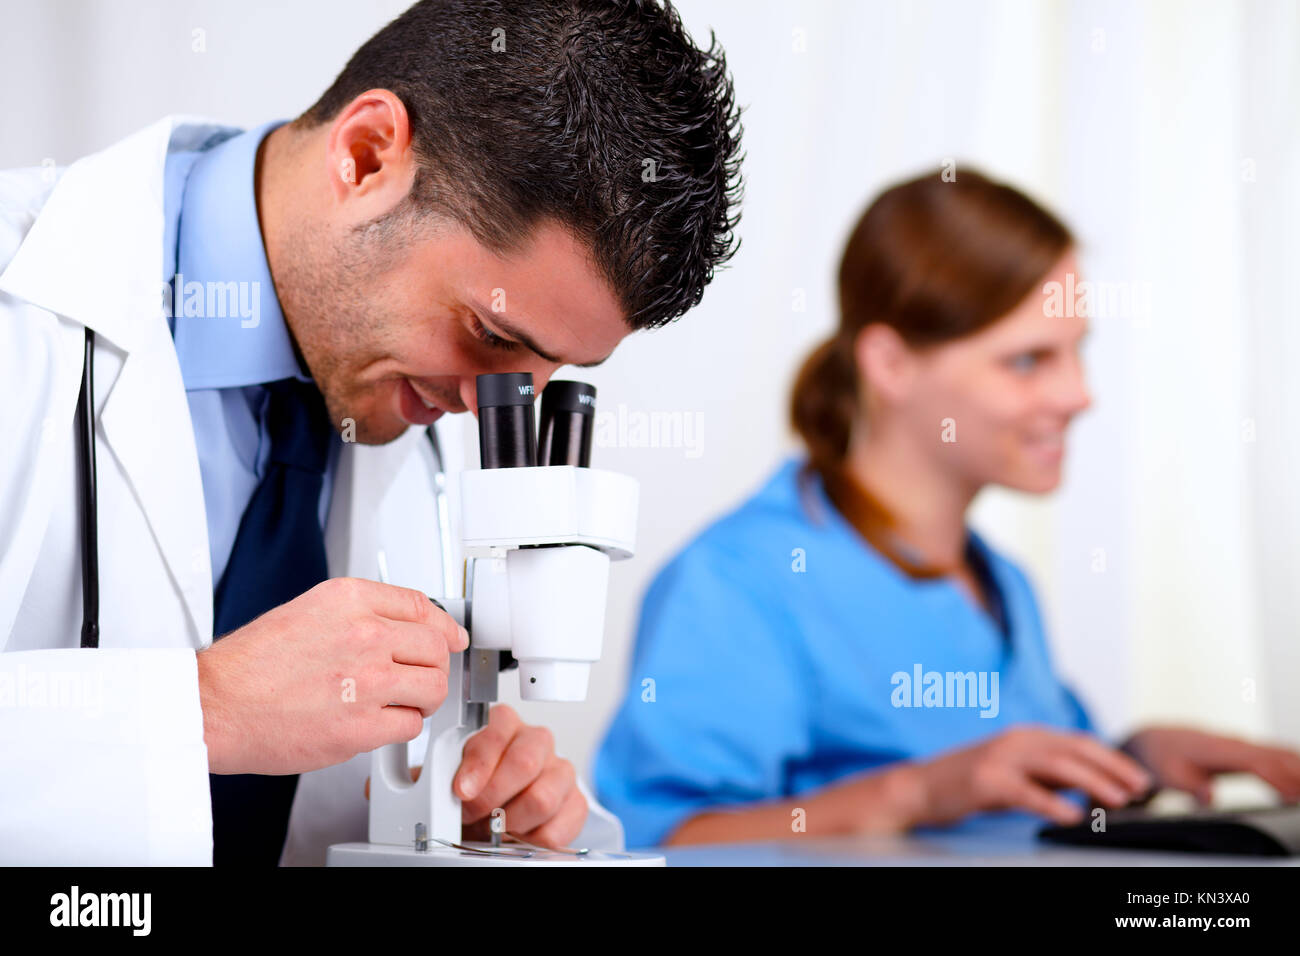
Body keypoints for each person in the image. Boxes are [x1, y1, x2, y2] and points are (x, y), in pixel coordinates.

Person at [0, 0, 743, 864]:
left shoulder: (414, 403)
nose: (485, 403)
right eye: (492, 335)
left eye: (546, 373)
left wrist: (461, 815)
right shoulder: (28, 310)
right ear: (365, 157)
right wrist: (205, 711)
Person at [594, 169, 1300, 848]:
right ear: (891, 365)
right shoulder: (737, 583)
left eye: (1076, 352)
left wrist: (1134, 761)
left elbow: (1014, 801)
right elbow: (664, 842)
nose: (1078, 395)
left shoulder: (1004, 588)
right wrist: (914, 796)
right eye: (1028, 360)